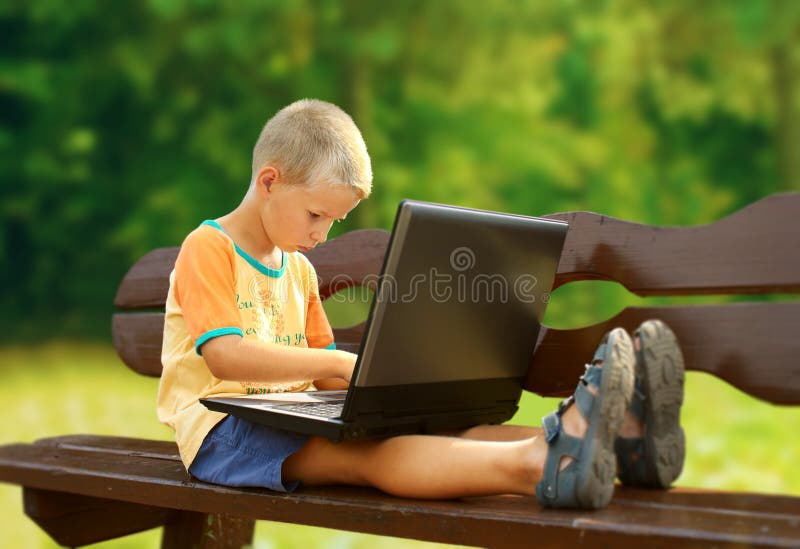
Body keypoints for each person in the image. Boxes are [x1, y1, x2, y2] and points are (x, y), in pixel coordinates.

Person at [157, 99, 686, 509]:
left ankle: (620, 442)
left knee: (438, 430)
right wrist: (340, 363)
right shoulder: (210, 247)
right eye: (316, 215)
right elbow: (226, 356)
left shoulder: (297, 268)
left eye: (333, 222)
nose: (322, 234)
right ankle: (539, 465)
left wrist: (396, 390)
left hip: (292, 417)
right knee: (370, 455)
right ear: (269, 181)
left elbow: (322, 382)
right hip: (223, 433)